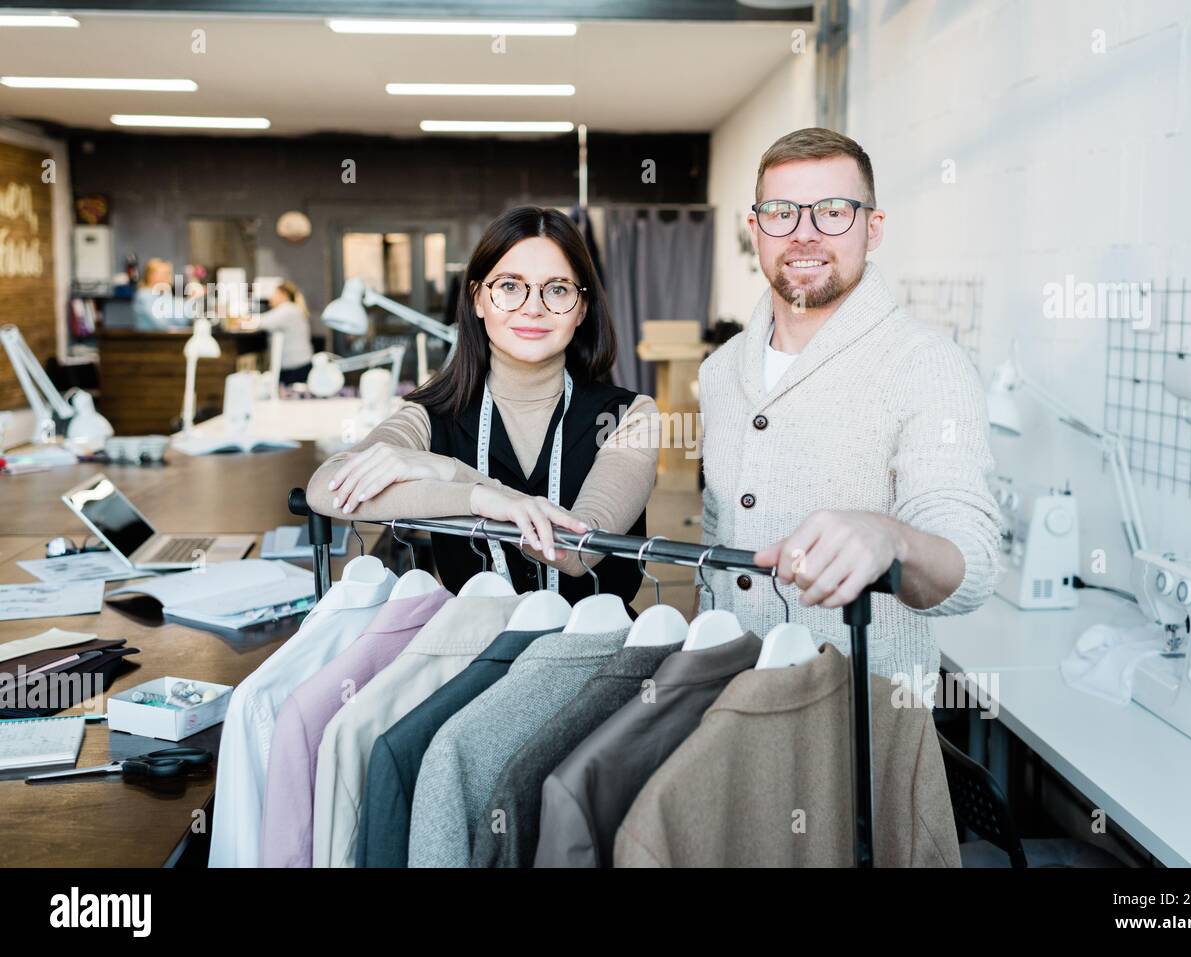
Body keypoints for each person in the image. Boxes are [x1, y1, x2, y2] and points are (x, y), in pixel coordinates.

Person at [697, 127, 1001, 683]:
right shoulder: (720, 371)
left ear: (873, 227)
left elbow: (971, 569)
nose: (803, 234)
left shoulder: (927, 364)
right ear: (756, 228)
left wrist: (893, 538)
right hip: (726, 700)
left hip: (863, 724)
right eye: (782, 212)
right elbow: (717, 541)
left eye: (833, 212)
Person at [307, 206, 660, 613]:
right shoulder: (430, 414)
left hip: (598, 653)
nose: (533, 307)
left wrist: (447, 472)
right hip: (473, 649)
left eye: (558, 289)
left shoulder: (631, 416)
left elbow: (575, 552)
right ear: (477, 298)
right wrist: (480, 499)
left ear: (582, 308)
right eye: (510, 286)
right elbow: (324, 489)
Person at [257, 280, 314, 384]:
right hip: (300, 364)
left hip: (295, 367)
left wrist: (239, 319)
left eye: (274, 294)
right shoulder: (294, 309)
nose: (270, 298)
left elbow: (260, 322)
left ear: (283, 295)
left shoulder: (288, 309)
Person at [131, 259, 191, 331]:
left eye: (169, 274)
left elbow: (183, 321)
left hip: (169, 338)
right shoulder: (143, 296)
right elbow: (161, 324)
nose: (168, 278)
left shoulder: (166, 295)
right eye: (163, 274)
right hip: (150, 340)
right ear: (151, 276)